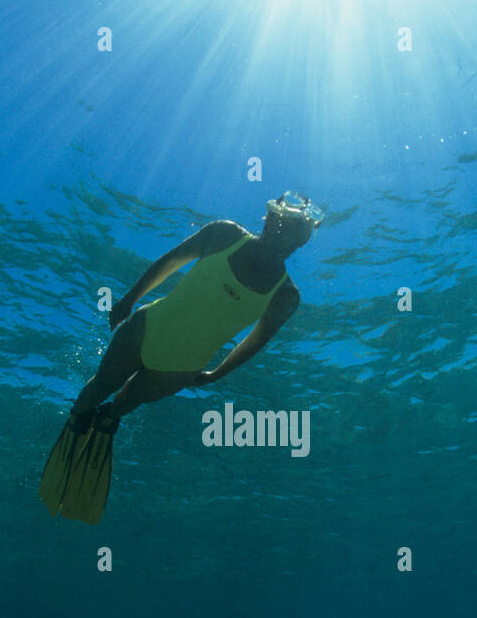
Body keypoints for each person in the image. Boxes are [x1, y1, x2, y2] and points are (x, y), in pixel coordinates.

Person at [39, 192, 323, 523]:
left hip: (175, 360)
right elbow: (172, 260)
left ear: (298, 242)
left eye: (293, 234)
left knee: (119, 405)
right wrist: (129, 300)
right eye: (284, 227)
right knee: (103, 386)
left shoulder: (286, 295)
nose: (285, 236)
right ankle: (86, 418)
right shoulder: (226, 235)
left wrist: (218, 372)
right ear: (271, 220)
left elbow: (256, 340)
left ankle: (102, 421)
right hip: (152, 334)